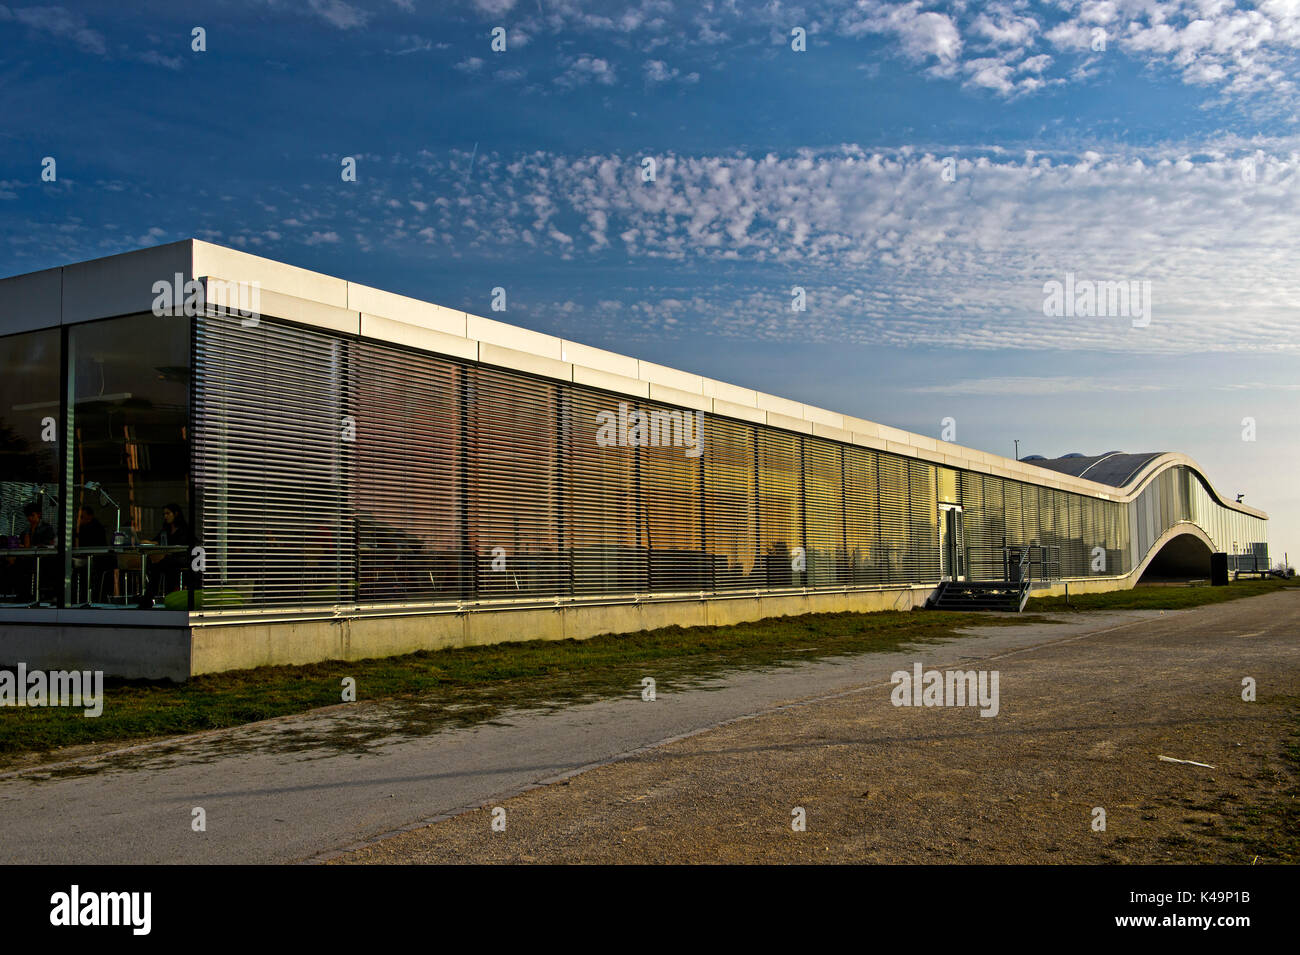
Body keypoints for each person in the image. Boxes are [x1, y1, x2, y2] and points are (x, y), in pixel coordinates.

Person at [137, 503, 193, 609]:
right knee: (156, 565)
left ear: (175, 514)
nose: (165, 516)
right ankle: (149, 597)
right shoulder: (165, 530)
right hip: (169, 560)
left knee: (161, 566)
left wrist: (155, 544)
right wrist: (148, 542)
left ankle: (151, 598)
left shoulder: (184, 530)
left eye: (168, 513)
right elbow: (157, 541)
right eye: (164, 514)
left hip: (182, 559)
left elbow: (180, 546)